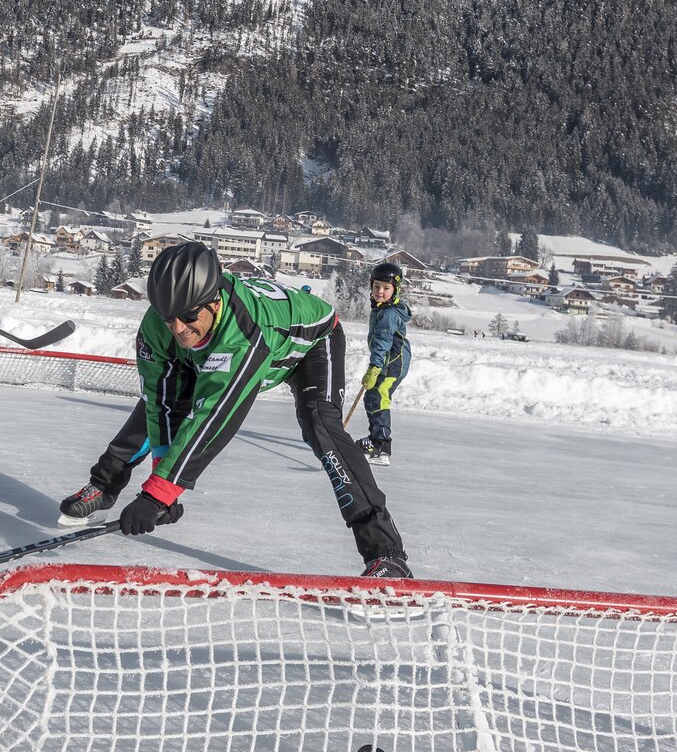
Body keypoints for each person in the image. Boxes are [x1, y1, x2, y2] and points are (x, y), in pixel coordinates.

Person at [57, 242, 412, 578]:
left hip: (311, 345)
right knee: (155, 406)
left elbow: (213, 419)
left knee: (321, 425)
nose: (178, 329)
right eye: (168, 318)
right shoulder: (159, 327)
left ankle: (386, 553)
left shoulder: (243, 333)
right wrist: (159, 483)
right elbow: (162, 404)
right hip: (223, 349)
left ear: (214, 303)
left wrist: (158, 494)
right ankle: (104, 485)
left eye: (188, 316)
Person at [358, 262, 414, 466]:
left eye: (386, 288)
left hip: (392, 363)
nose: (380, 292)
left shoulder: (389, 314)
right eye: (376, 287)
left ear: (395, 290)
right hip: (388, 362)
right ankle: (376, 440)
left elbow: (382, 343)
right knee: (373, 397)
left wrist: (374, 368)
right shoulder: (382, 309)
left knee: (378, 396)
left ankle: (380, 444)